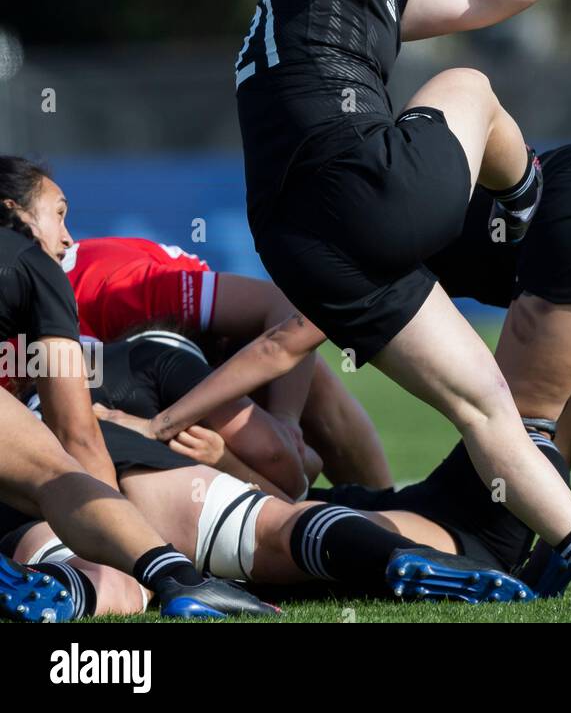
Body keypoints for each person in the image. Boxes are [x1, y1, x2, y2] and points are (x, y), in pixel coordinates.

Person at [233, 0, 571, 607]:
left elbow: (477, 0)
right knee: (467, 82)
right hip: (368, 195)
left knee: (486, 405)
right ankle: (526, 197)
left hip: (302, 249)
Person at [121, 141, 571, 584]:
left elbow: (285, 342)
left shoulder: (366, 238)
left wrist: (169, 420)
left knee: (522, 420)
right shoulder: (416, 183)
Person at [12, 332, 535, 609]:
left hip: (31, 490)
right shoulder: (155, 353)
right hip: (123, 461)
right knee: (277, 526)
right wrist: (228, 456)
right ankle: (396, 556)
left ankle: (67, 592)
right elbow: (286, 475)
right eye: (59, 217)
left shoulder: (38, 382)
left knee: (118, 588)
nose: (67, 235)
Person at [0, 156, 275, 621]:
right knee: (56, 481)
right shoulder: (39, 267)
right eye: (60, 213)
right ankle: (179, 581)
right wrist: (129, 548)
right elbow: (76, 439)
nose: (69, 238)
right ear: (16, 212)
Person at [65, 235, 391, 487]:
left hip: (179, 350)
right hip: (157, 366)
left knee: (300, 400)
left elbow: (295, 466)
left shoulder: (125, 287)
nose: (65, 238)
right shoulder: (33, 321)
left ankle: (382, 513)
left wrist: (284, 420)